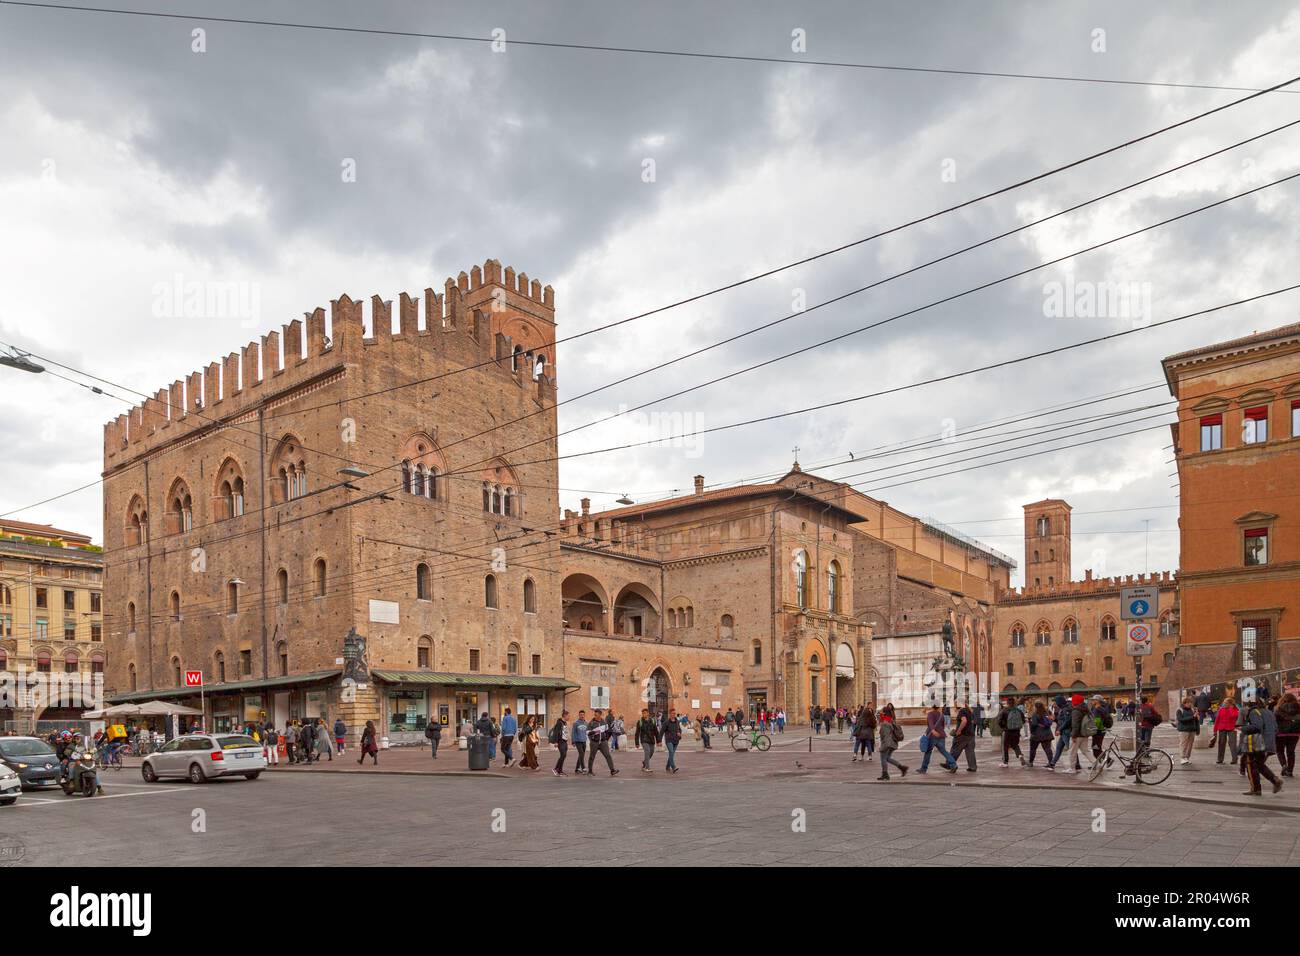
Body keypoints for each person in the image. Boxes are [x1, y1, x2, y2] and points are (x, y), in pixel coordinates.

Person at [1238, 695, 1283, 796]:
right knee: (1259, 765)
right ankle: (1275, 780)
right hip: (1269, 742)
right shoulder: (1269, 712)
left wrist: (1243, 728)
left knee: (1250, 764)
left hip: (1258, 744)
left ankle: (1256, 789)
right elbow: (1276, 728)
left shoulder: (1254, 712)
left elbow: (1257, 726)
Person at [918, 702, 957, 774]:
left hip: (932, 736)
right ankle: (953, 764)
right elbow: (943, 725)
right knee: (944, 751)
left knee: (928, 752)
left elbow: (931, 723)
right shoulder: (941, 715)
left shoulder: (930, 714)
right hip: (941, 735)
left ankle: (923, 769)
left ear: (932, 706)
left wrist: (933, 731)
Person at [876, 706, 907, 780]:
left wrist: (882, 746)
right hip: (892, 743)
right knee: (887, 758)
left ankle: (885, 774)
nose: (880, 713)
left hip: (887, 743)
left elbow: (886, 736)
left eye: (882, 711)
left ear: (884, 713)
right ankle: (902, 767)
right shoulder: (891, 720)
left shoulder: (885, 723)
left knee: (883, 758)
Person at [1274, 693, 1300, 777]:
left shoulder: (1278, 708)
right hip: (1294, 733)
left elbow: (1274, 722)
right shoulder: (1298, 708)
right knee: (1291, 752)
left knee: (1280, 751)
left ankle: (1284, 765)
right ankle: (1290, 771)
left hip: (1281, 733)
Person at [586, 709, 618, 776]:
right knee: (592, 757)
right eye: (595, 715)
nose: (595, 716)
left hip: (603, 742)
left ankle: (612, 770)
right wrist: (593, 732)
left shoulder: (604, 722)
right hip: (594, 742)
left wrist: (606, 739)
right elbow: (587, 732)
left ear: (600, 715)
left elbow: (607, 731)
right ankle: (590, 771)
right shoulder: (591, 723)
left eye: (596, 715)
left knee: (608, 755)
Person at [997, 697, 1026, 767]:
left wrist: (1003, 727)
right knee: (1015, 745)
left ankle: (1005, 762)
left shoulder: (1004, 710)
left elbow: (999, 721)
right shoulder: (1018, 710)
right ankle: (1019, 755)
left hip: (1007, 731)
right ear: (1014, 703)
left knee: (1005, 747)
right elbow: (1023, 720)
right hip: (1016, 731)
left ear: (1007, 703)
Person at [950, 699, 976, 772]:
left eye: (955, 703)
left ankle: (950, 764)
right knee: (970, 751)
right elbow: (972, 722)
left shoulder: (962, 711)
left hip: (963, 735)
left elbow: (964, 721)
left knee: (955, 749)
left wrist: (959, 730)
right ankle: (972, 767)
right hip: (971, 734)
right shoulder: (969, 711)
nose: (954, 705)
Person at [1213, 696, 1240, 765]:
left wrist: (1231, 708)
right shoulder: (1221, 710)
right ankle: (1220, 759)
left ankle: (1234, 759)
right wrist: (1215, 730)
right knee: (1221, 744)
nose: (1224, 704)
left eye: (1226, 703)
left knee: (1232, 744)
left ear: (1230, 704)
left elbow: (1233, 716)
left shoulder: (1234, 710)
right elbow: (1217, 720)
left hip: (1231, 728)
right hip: (1222, 728)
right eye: (1224, 702)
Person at [1175, 696, 1200, 765]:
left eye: (1190, 703)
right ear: (1184, 703)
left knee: (1190, 745)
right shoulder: (1180, 710)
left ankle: (1187, 758)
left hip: (1192, 730)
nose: (1190, 704)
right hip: (1183, 730)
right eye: (1188, 703)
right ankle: (1182, 758)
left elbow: (1196, 721)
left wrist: (1197, 730)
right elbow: (1181, 720)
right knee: (1183, 744)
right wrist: (1192, 717)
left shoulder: (1192, 710)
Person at [1049, 694, 1070, 769]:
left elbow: (1067, 721)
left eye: (1056, 702)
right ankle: (1052, 763)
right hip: (1063, 732)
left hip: (1066, 732)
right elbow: (1061, 721)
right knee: (1059, 748)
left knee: (1070, 749)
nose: (1055, 704)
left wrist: (1059, 729)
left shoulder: (1065, 709)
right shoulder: (1062, 708)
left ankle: (1076, 765)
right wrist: (1054, 719)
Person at [635, 708, 659, 773]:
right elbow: (637, 733)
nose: (644, 714)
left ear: (648, 713)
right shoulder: (640, 722)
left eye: (645, 713)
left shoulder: (653, 721)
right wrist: (637, 743)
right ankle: (647, 767)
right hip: (644, 740)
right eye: (643, 713)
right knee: (647, 752)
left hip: (651, 740)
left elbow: (656, 731)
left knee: (651, 752)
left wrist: (658, 741)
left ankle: (645, 762)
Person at [662, 707, 682, 773]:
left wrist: (679, 733)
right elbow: (661, 731)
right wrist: (659, 740)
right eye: (673, 713)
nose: (674, 714)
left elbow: (679, 729)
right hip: (669, 740)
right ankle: (673, 767)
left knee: (672, 754)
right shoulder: (666, 722)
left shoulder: (677, 722)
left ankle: (667, 766)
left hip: (676, 740)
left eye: (675, 713)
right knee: (671, 752)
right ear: (670, 714)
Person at [550, 710, 570, 775]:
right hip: (560, 741)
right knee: (563, 755)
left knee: (563, 756)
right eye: (568, 716)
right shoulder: (559, 723)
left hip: (564, 741)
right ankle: (556, 769)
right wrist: (556, 742)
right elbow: (556, 732)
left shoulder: (565, 723)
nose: (569, 717)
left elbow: (564, 732)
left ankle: (560, 770)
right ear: (565, 715)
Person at [571, 710, 589, 774]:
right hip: (578, 741)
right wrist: (573, 741)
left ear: (584, 715)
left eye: (583, 715)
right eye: (580, 715)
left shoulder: (586, 723)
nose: (582, 716)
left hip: (584, 741)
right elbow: (573, 732)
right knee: (581, 754)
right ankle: (583, 768)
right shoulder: (576, 723)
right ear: (579, 715)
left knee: (581, 755)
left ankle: (577, 768)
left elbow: (588, 732)